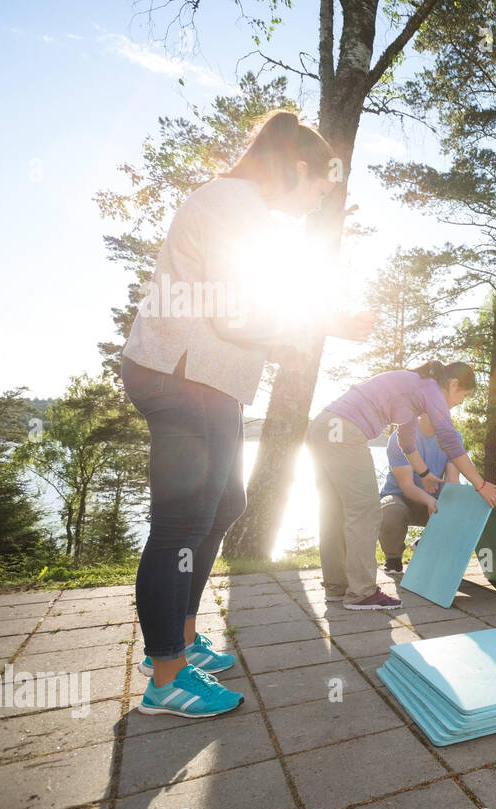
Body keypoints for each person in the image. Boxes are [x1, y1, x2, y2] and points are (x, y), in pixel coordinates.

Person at [121, 110, 376, 718]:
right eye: (318, 190)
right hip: (183, 374)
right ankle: (165, 677)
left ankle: (179, 638)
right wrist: (328, 324)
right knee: (181, 521)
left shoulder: (241, 207)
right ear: (297, 167)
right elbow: (236, 314)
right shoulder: (237, 205)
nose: (316, 203)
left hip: (207, 377)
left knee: (223, 507)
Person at [307, 361, 496, 609]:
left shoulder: (415, 390)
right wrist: (481, 484)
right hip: (345, 431)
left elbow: (406, 439)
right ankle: (362, 593)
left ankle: (337, 587)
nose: (457, 403)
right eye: (461, 396)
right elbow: (451, 442)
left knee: (334, 512)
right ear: (453, 384)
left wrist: (423, 472)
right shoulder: (432, 389)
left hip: (323, 425)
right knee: (366, 511)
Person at [378, 407, 463, 576]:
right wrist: (430, 501)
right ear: (422, 412)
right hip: (401, 497)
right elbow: (407, 486)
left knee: (458, 506)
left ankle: (424, 544)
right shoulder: (401, 437)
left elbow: (453, 482)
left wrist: (451, 506)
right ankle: (393, 558)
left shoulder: (453, 438)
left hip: (434, 497)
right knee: (390, 511)